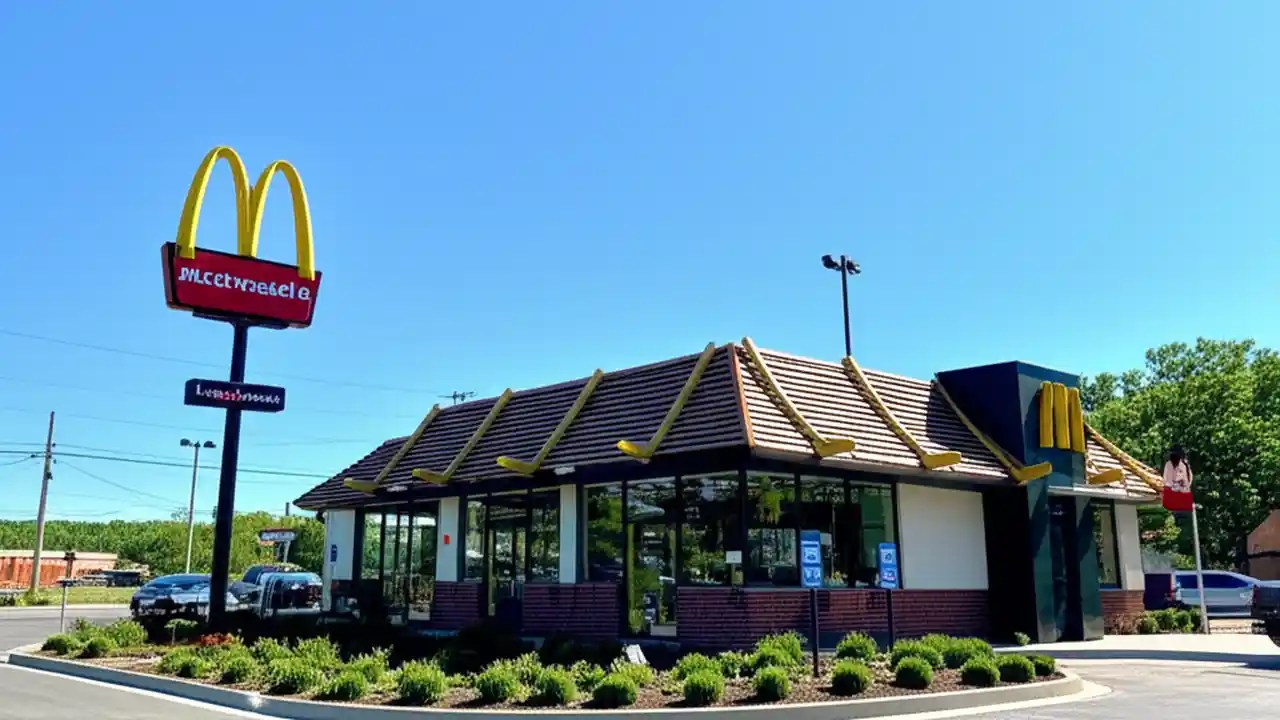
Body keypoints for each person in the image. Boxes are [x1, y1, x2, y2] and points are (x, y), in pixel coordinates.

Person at [1162, 446, 1194, 512]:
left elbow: (1167, 481)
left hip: (1178, 500)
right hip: (1182, 501)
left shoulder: (1182, 464)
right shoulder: (1171, 464)